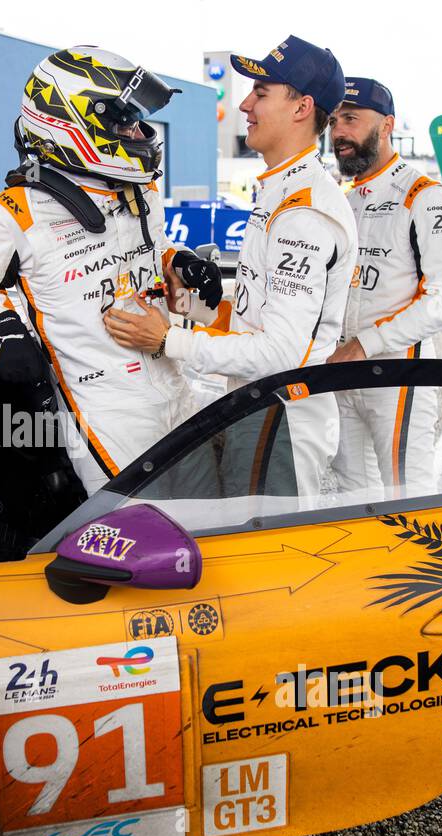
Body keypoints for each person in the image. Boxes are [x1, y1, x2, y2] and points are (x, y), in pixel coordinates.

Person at [0, 47, 222, 494]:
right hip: (104, 406)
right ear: (68, 121)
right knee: (146, 538)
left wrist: (182, 261)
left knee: (214, 518)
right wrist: (7, 332)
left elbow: (153, 251)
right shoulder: (16, 211)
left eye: (137, 120)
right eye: (123, 123)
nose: (138, 132)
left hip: (171, 377)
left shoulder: (142, 190)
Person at [103, 35, 356, 499]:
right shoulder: (280, 191)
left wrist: (168, 339)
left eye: (260, 93)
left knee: (264, 563)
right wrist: (194, 312)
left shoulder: (304, 211)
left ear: (302, 108)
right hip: (258, 408)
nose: (244, 104)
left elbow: (280, 352)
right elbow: (257, 321)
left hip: (281, 420)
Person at [326, 77, 442, 499]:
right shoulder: (343, 200)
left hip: (397, 373)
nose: (338, 133)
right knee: (353, 497)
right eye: (334, 121)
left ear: (387, 125)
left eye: (351, 119)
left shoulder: (427, 196)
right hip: (339, 368)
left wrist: (365, 344)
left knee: (408, 498)